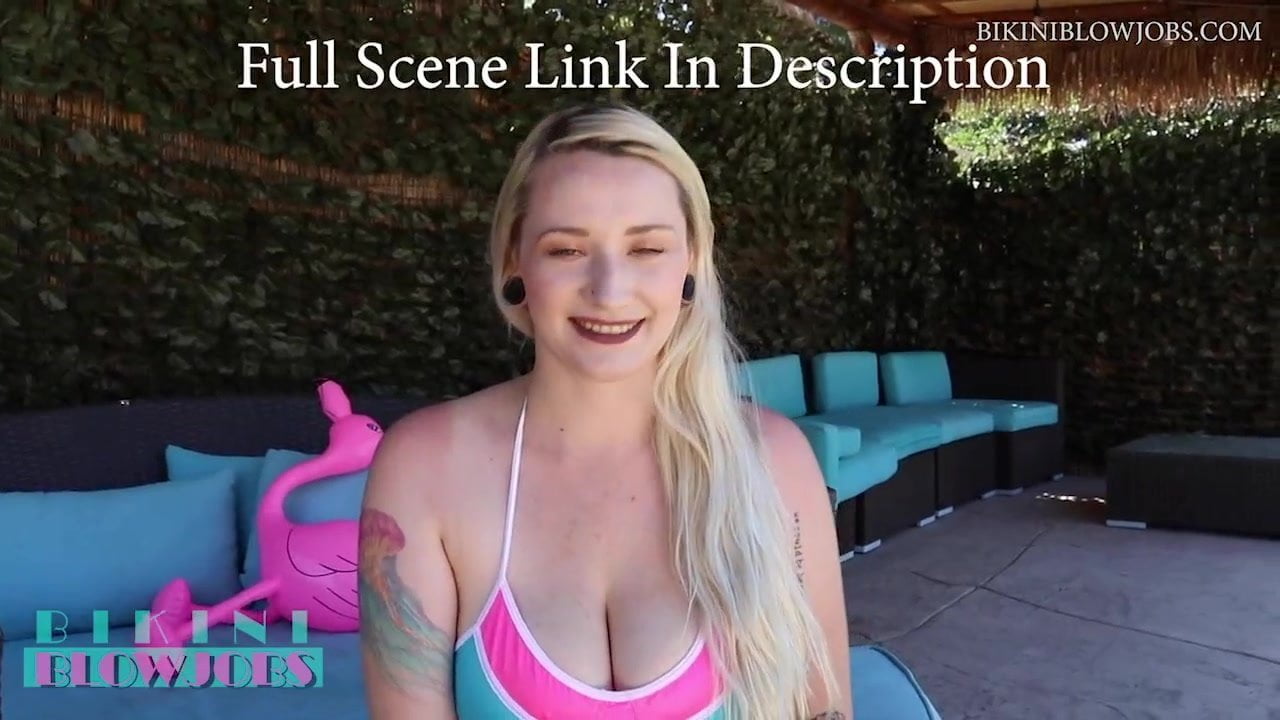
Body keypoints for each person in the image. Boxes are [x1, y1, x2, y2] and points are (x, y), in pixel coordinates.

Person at [358, 102, 852, 719]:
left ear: (691, 260)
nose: (610, 291)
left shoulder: (774, 464)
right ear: (514, 260)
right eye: (567, 250)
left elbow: (822, 709)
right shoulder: (427, 466)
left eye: (647, 248)